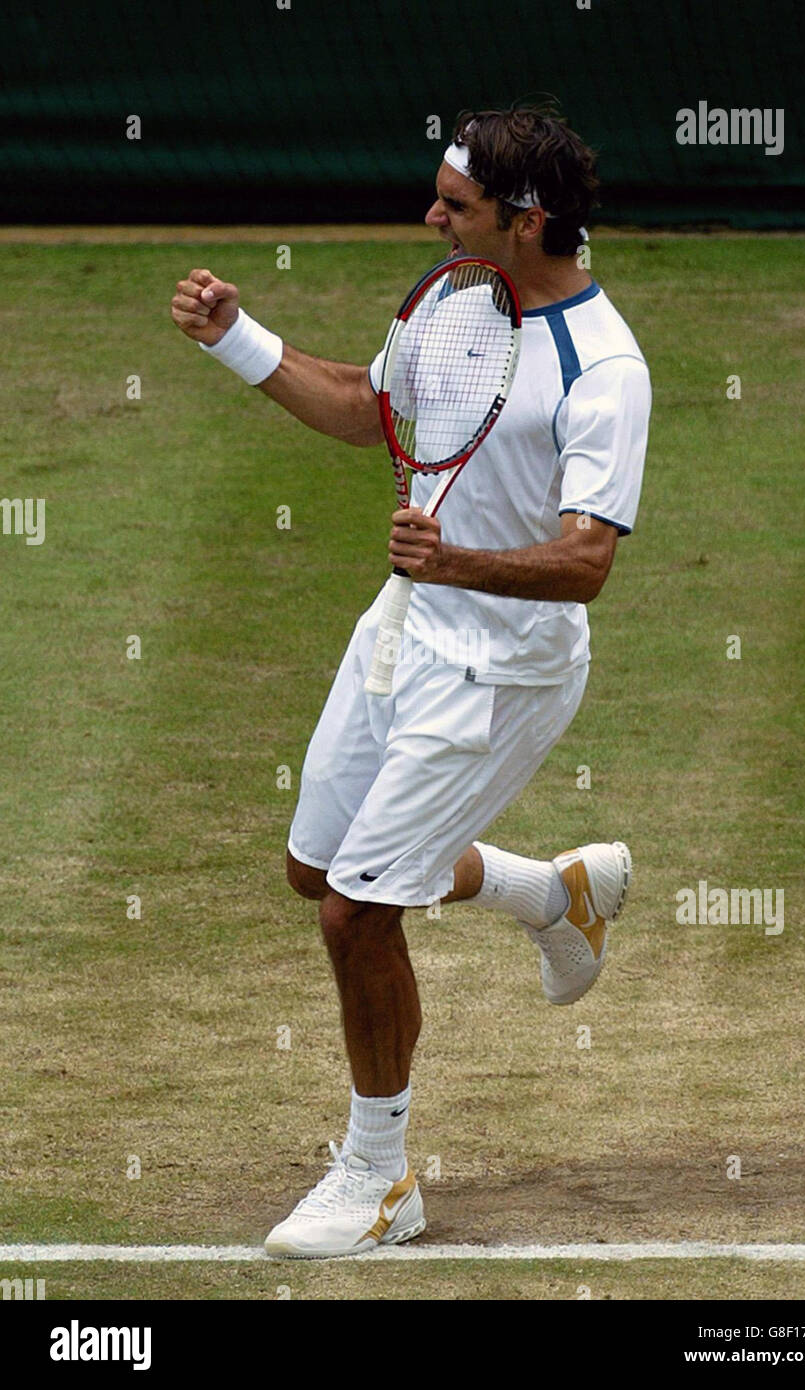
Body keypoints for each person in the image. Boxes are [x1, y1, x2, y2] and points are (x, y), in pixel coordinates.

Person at [170, 104, 651, 1259]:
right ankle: (553, 894)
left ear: (526, 220)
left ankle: (380, 1180)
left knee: (357, 909)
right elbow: (366, 406)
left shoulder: (604, 366)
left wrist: (459, 559)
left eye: (455, 204)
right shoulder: (457, 304)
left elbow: (586, 561)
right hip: (407, 630)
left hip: (502, 671)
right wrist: (238, 336)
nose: (429, 216)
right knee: (312, 870)